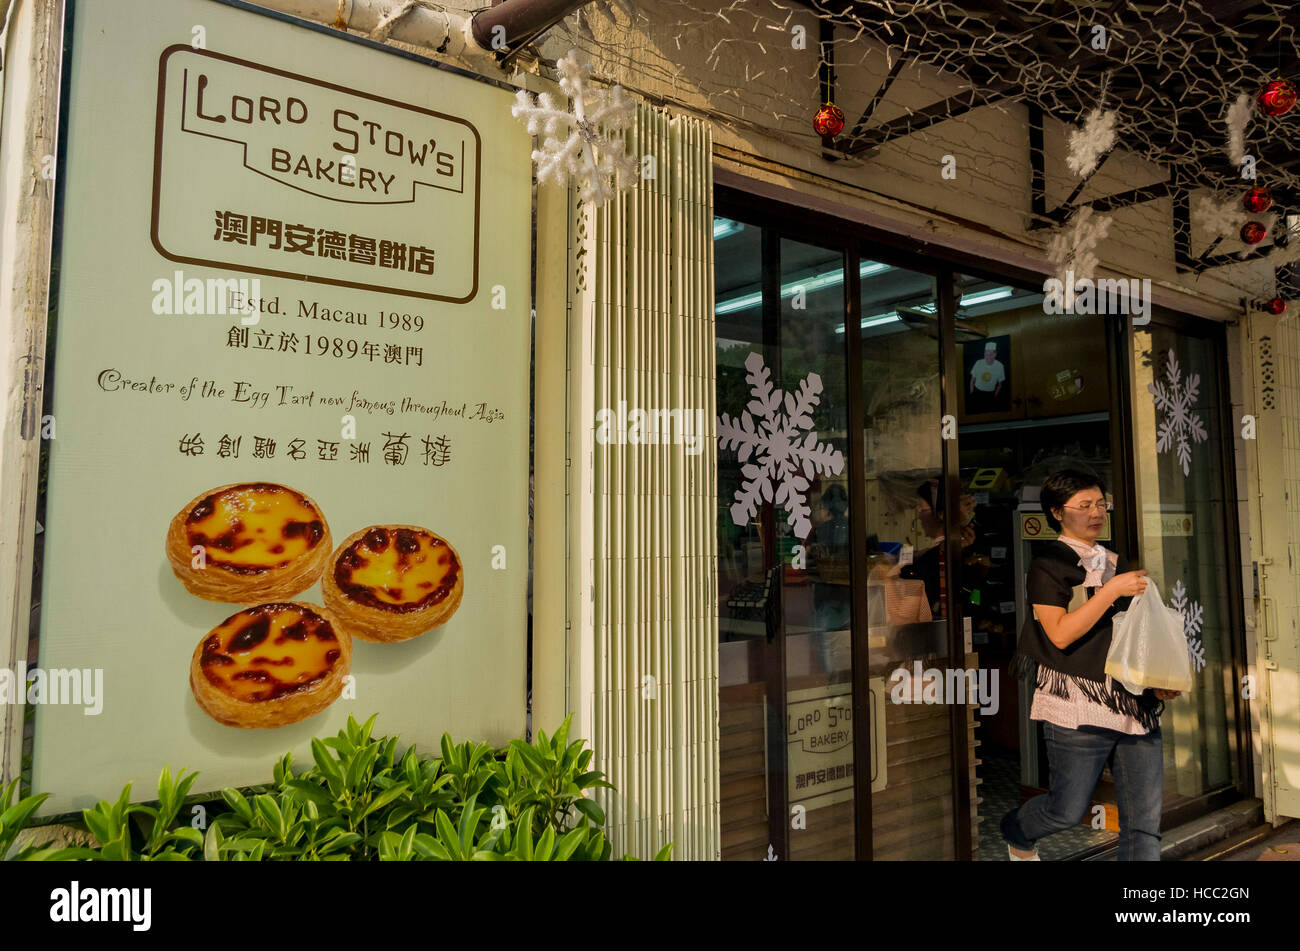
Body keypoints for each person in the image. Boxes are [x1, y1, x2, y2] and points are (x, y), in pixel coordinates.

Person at [1002, 468, 1181, 861]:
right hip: (1078, 707)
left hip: (1134, 704)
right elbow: (1061, 635)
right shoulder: (1048, 565)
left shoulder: (1117, 559)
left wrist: (1157, 682)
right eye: (1084, 505)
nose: (1096, 512)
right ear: (1057, 512)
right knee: (1064, 811)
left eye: (1101, 504)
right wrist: (1112, 590)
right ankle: (1016, 830)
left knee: (1143, 824)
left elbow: (1135, 637)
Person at [968, 341, 1006, 413]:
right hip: (977, 392)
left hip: (990, 395)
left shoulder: (1000, 366)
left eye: (990, 354)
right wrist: (971, 391)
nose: (988, 357)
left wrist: (995, 396)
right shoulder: (978, 363)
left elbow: (1000, 385)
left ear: (995, 354)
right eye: (986, 354)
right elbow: (972, 380)